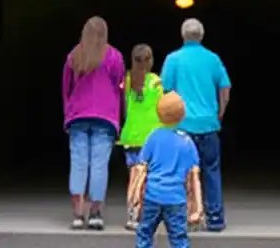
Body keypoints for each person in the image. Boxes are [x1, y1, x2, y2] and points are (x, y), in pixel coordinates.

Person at [160, 18, 231, 232]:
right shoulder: (213, 59)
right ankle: (215, 218)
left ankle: (184, 217)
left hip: (182, 125)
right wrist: (220, 111)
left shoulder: (173, 59)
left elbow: (165, 92)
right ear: (202, 35)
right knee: (211, 170)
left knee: (181, 173)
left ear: (183, 35)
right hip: (208, 124)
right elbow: (225, 88)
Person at [61, 16, 125, 230]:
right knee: (99, 164)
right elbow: (119, 87)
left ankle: (78, 215)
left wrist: (68, 112)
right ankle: (96, 212)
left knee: (78, 162)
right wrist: (120, 116)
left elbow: (66, 88)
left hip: (78, 116)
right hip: (105, 117)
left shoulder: (74, 56)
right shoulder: (114, 56)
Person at [126, 92, 204, 248]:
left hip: (152, 196)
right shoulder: (187, 142)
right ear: (182, 114)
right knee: (178, 239)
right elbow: (193, 176)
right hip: (176, 198)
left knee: (144, 235)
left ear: (159, 113)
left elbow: (141, 166)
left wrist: (134, 196)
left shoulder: (153, 137)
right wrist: (197, 207)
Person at [118, 44, 164, 231]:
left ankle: (132, 215)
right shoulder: (157, 82)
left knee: (135, 177)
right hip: (152, 138)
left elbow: (124, 108)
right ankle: (146, 215)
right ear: (151, 60)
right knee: (150, 179)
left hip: (131, 136)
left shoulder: (126, 81)